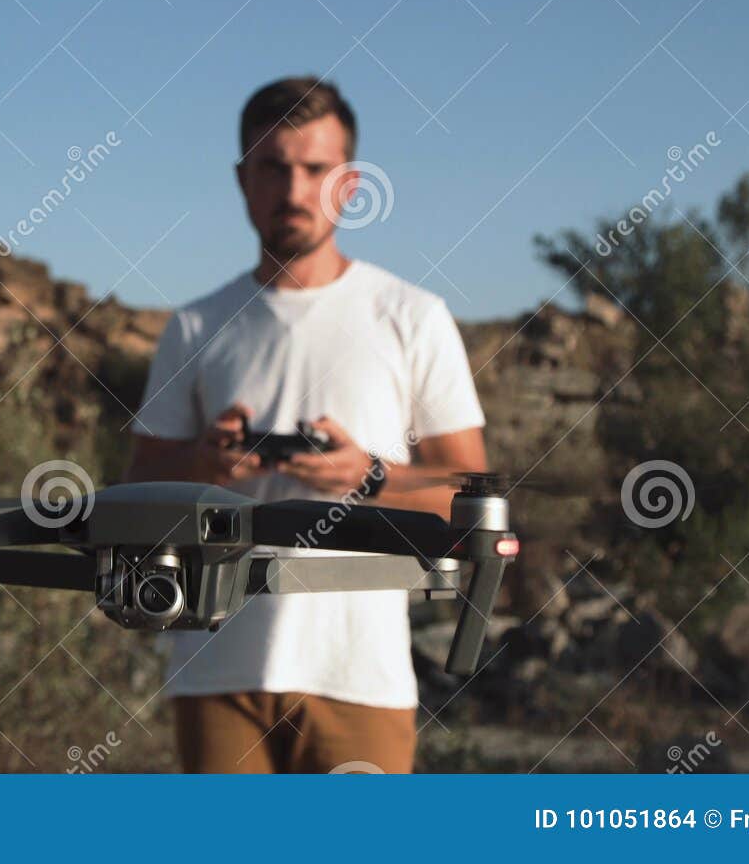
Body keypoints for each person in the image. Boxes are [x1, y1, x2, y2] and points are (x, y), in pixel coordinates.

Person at [125, 76, 489, 773]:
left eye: (315, 169)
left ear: (350, 183)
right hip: (216, 668)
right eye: (273, 167)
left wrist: (371, 476)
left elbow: (474, 500)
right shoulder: (195, 325)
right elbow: (136, 486)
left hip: (359, 674)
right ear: (243, 180)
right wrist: (203, 469)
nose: (294, 191)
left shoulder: (412, 316)